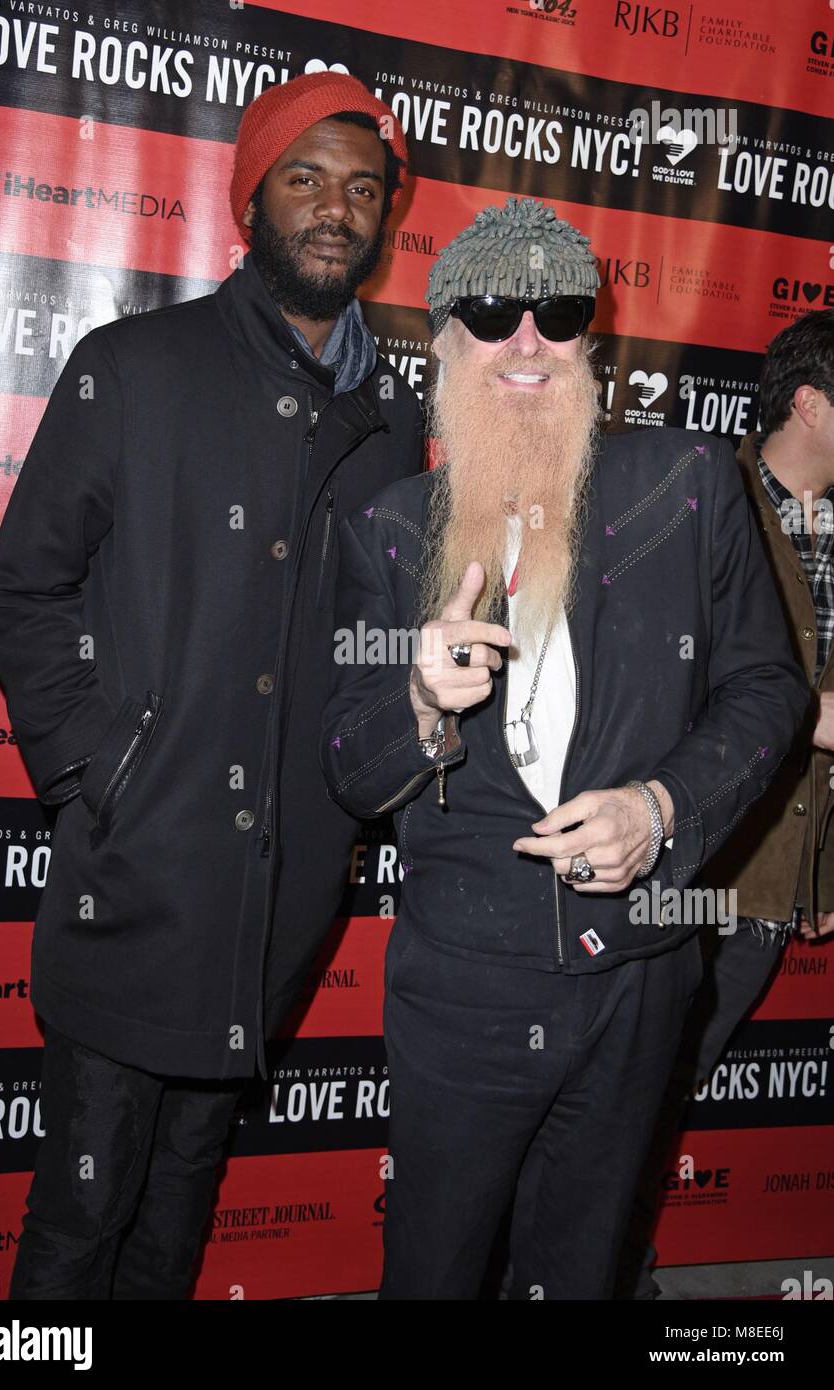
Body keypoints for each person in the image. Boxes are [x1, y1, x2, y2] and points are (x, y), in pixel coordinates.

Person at [0, 71, 423, 1300]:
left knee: (181, 1201)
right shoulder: (131, 367)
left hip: (276, 902)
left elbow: (371, 638)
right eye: (304, 179)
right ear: (249, 200)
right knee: (78, 1211)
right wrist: (98, 764)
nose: (334, 209)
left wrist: (345, 796)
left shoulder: (390, 420)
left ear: (385, 218)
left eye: (360, 188)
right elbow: (21, 587)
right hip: (136, 879)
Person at [319, 194, 812, 1300]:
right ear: (445, 338)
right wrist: (417, 700)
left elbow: (765, 685)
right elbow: (346, 768)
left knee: (580, 1273)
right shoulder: (392, 531)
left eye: (557, 308)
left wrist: (661, 806)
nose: (526, 340)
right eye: (492, 311)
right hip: (463, 991)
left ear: (590, 334)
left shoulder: (685, 488)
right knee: (435, 1273)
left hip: (638, 977)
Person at [617, 308, 834, 1300]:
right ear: (809, 401)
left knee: (669, 1087)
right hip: (694, 859)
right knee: (631, 1087)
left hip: (773, 875)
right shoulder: (708, 495)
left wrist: (818, 867)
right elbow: (668, 680)